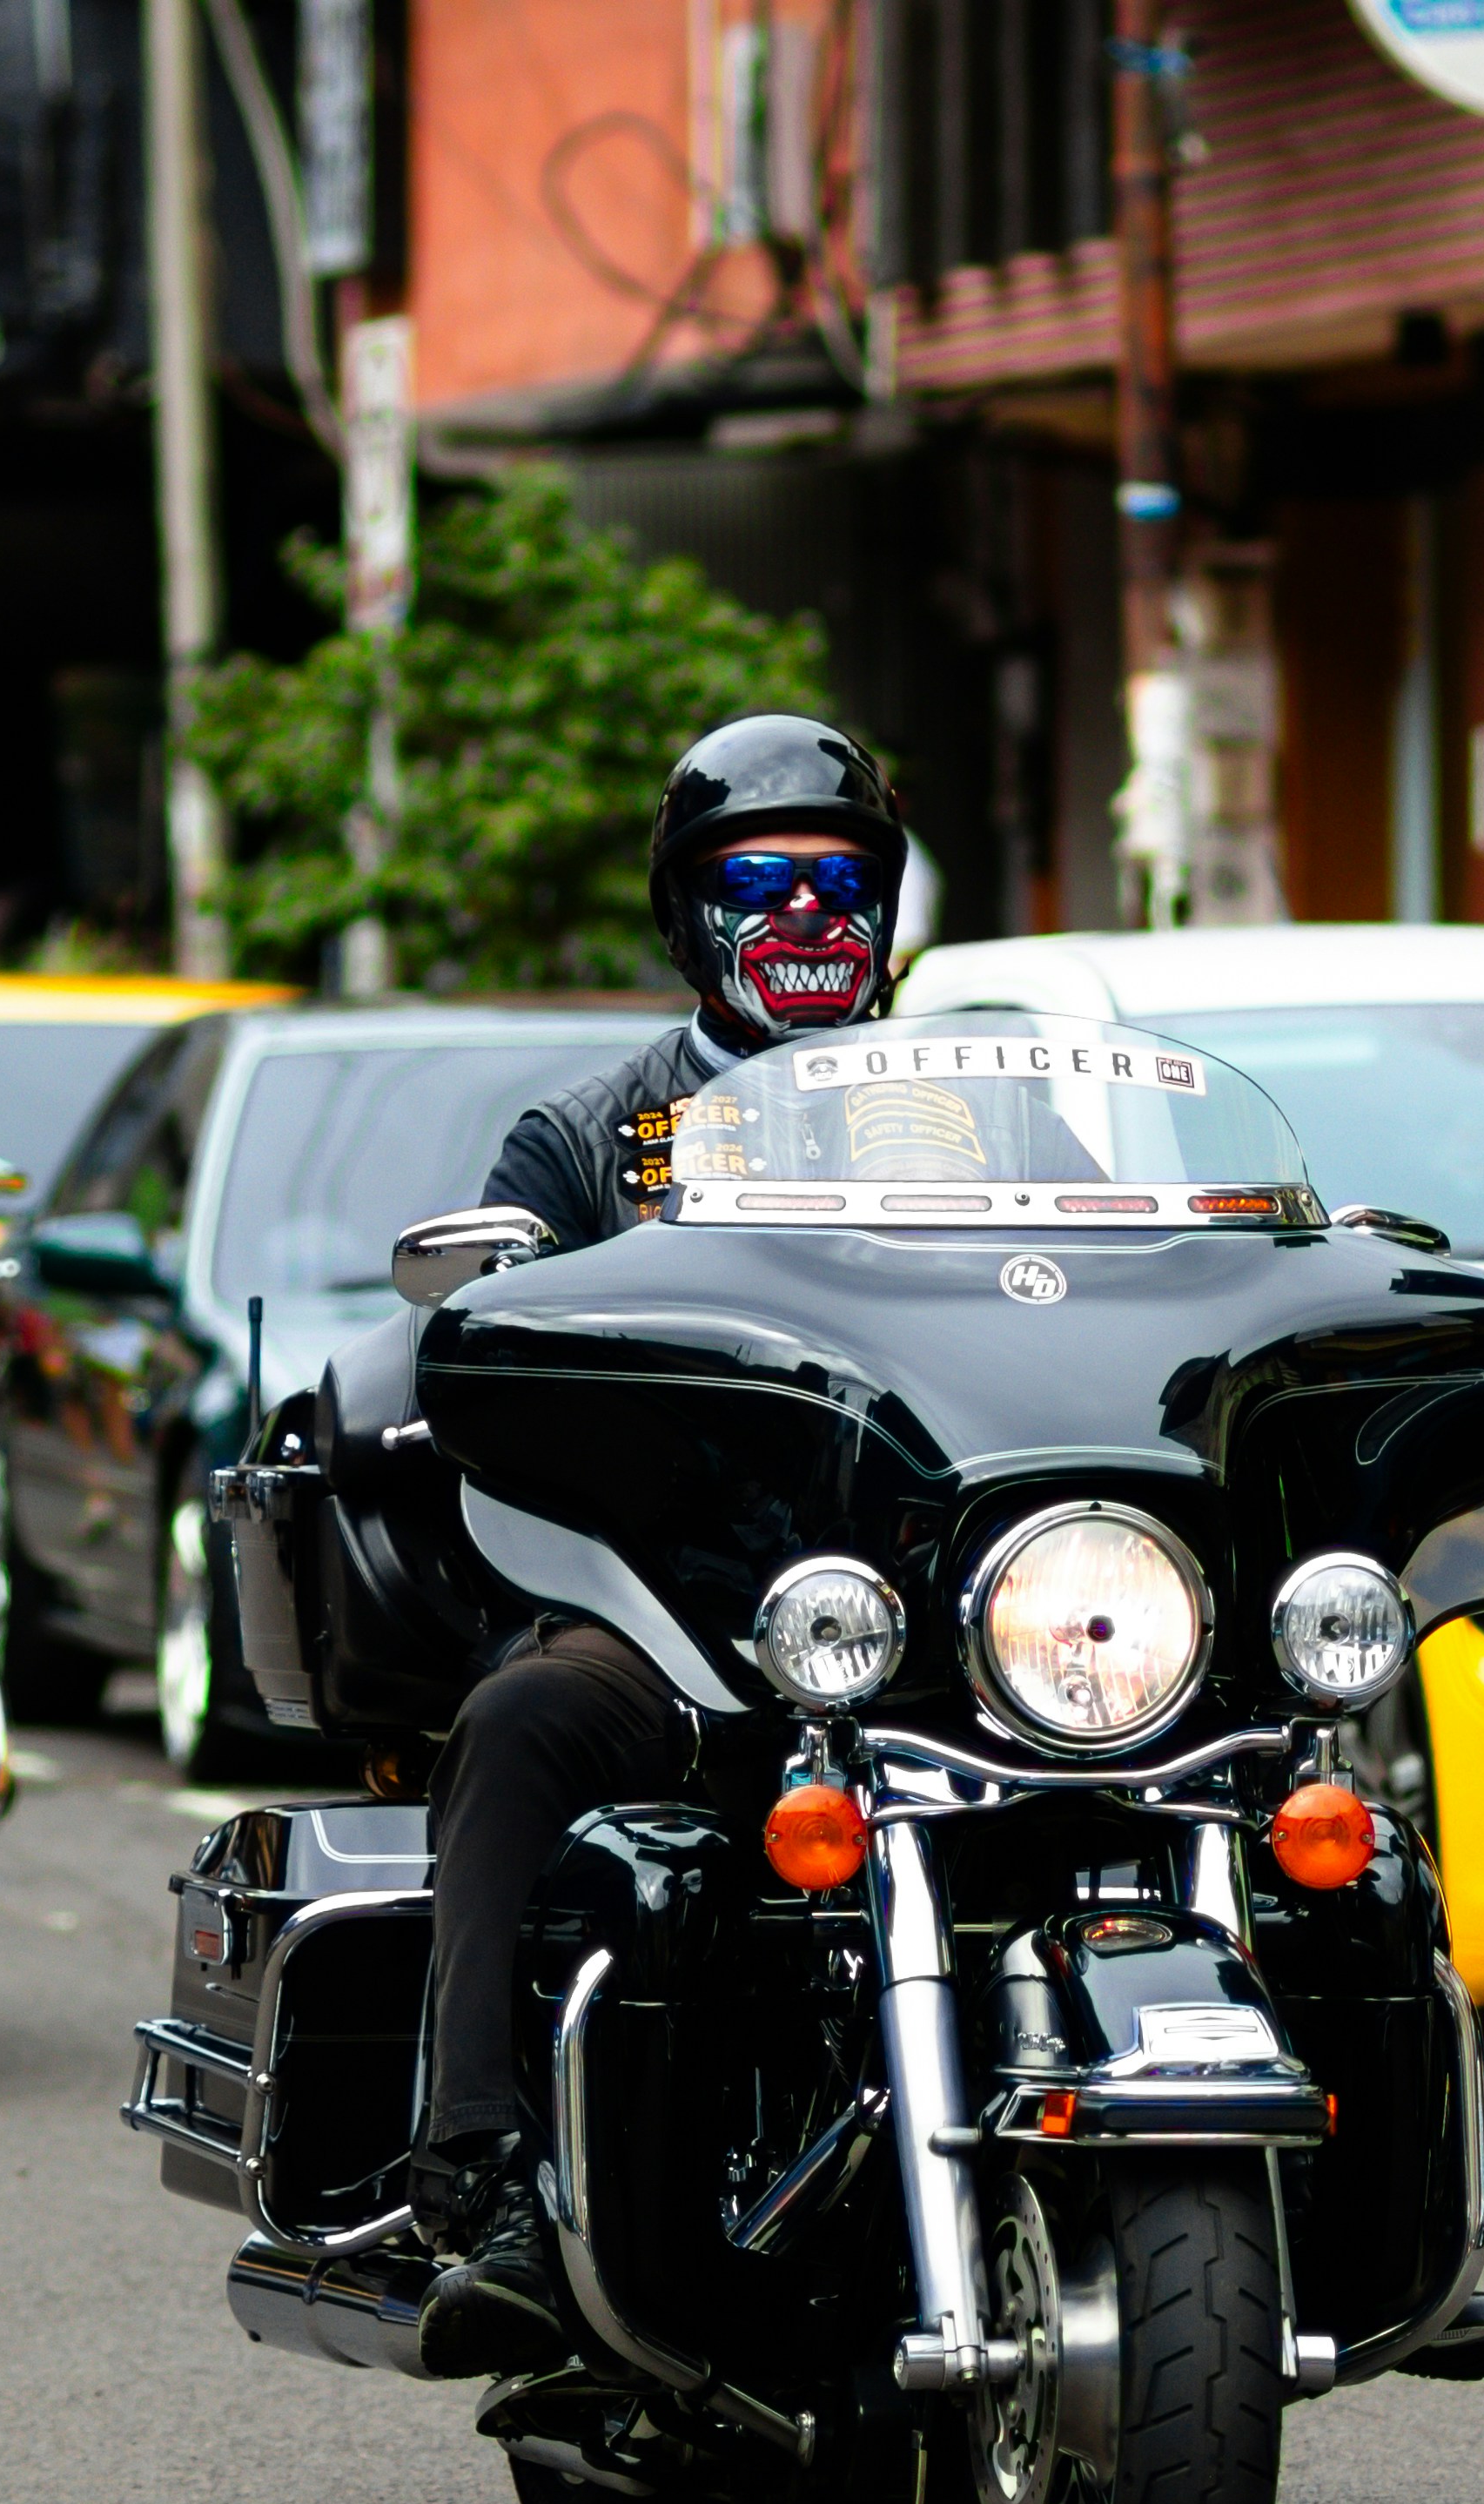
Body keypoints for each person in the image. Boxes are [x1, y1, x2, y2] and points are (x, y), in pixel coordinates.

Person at [413, 712, 908, 2373]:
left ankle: (1341, 2177)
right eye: (759, 881)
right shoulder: (587, 1136)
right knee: (526, 1717)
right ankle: (480, 2179)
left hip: (944, 1614)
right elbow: (481, 1344)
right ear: (689, 910)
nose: (807, 918)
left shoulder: (977, 1113)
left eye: (840, 880)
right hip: (680, 1617)